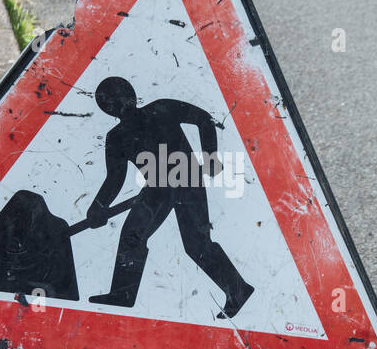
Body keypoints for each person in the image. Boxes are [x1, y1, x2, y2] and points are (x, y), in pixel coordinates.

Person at [86, 77, 254, 318]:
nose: (119, 105)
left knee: (197, 245)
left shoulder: (161, 108)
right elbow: (115, 178)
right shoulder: (116, 137)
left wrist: (210, 157)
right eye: (111, 102)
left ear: (131, 95)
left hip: (186, 178)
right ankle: (123, 294)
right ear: (107, 109)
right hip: (156, 190)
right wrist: (98, 206)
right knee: (131, 237)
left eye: (120, 97)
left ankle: (238, 290)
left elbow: (203, 119)